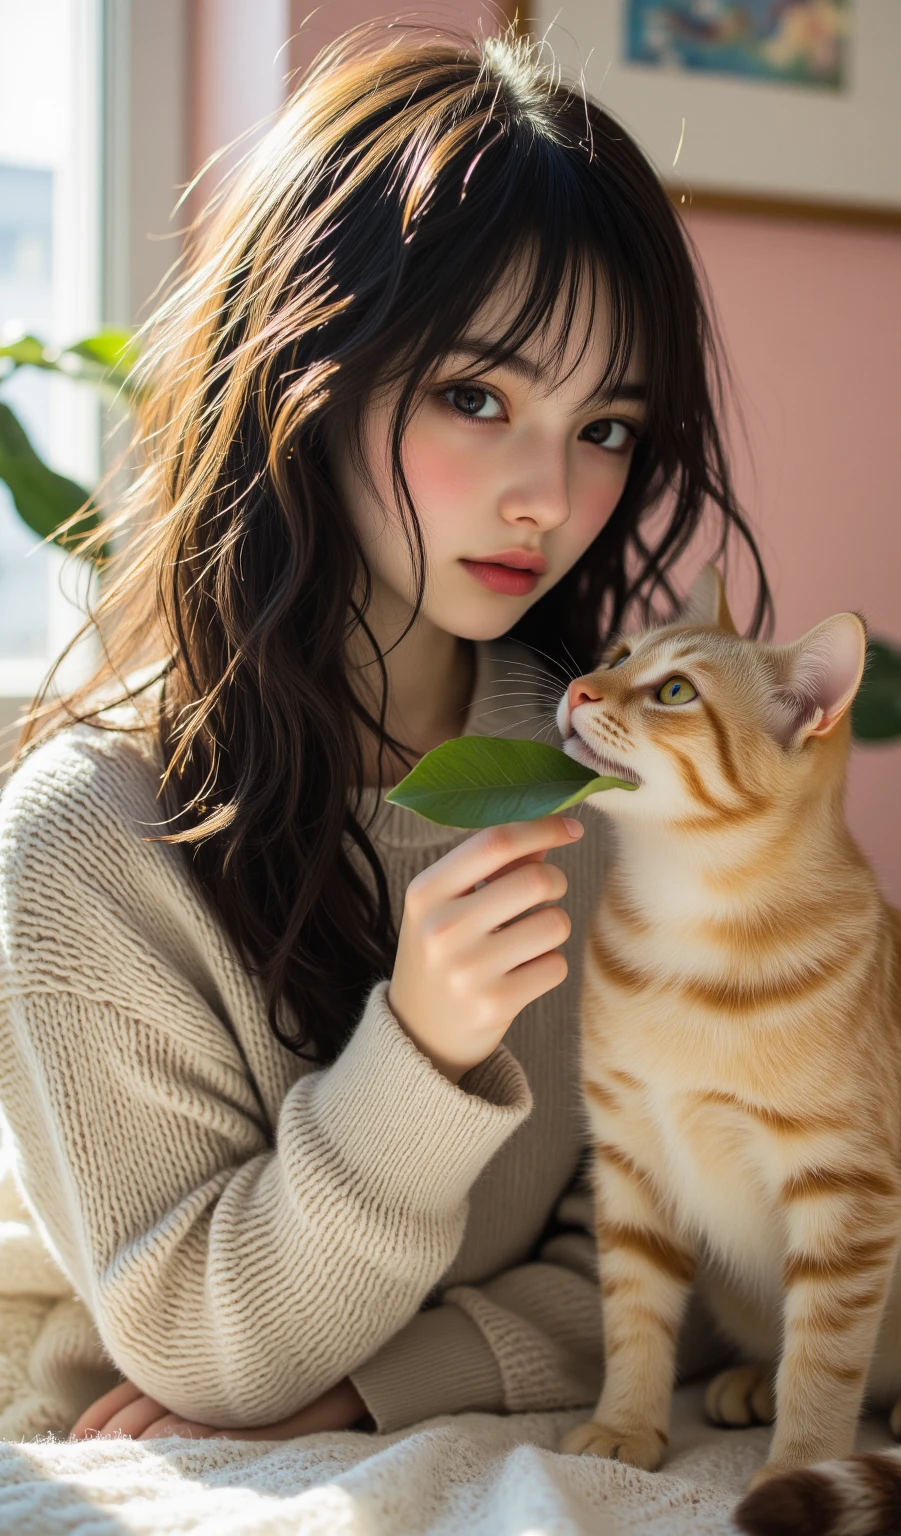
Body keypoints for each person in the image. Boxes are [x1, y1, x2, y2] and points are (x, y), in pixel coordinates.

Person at [0, 25, 770, 1442]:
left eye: (605, 427)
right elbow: (200, 1355)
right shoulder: (85, 836)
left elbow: (695, 1255)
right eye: (476, 397)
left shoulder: (617, 783)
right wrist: (421, 1048)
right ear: (309, 370)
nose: (548, 494)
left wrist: (378, 1391)